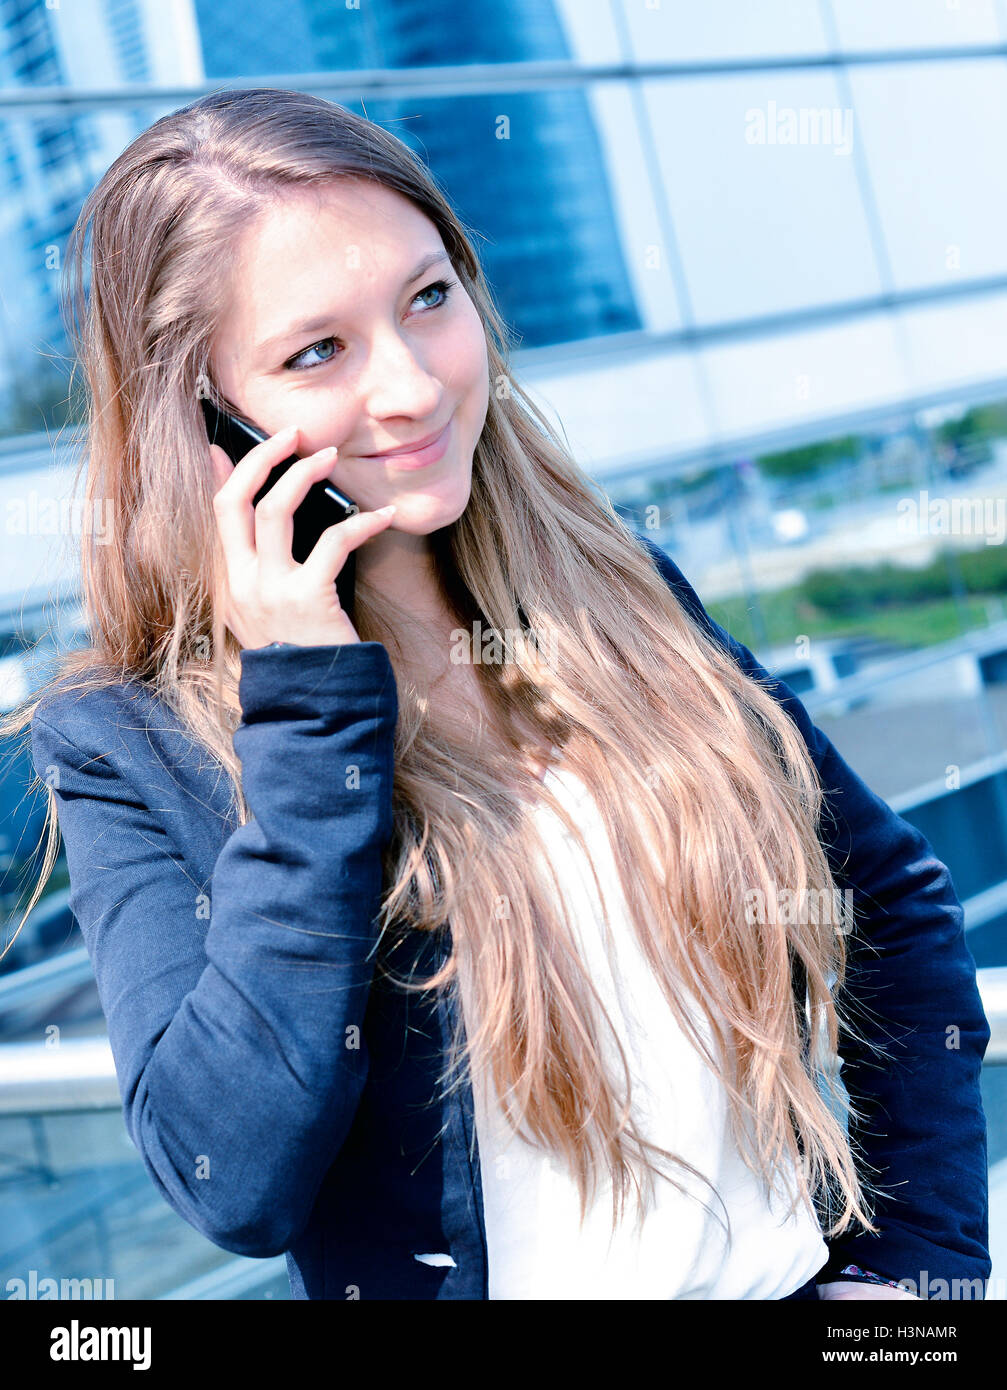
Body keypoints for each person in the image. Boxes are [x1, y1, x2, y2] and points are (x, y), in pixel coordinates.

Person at [7, 88, 990, 1302]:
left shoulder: (613, 588)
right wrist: (309, 714)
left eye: (428, 299)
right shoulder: (128, 740)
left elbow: (886, 906)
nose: (412, 386)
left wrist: (921, 1273)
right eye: (318, 352)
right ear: (201, 419)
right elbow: (232, 1178)